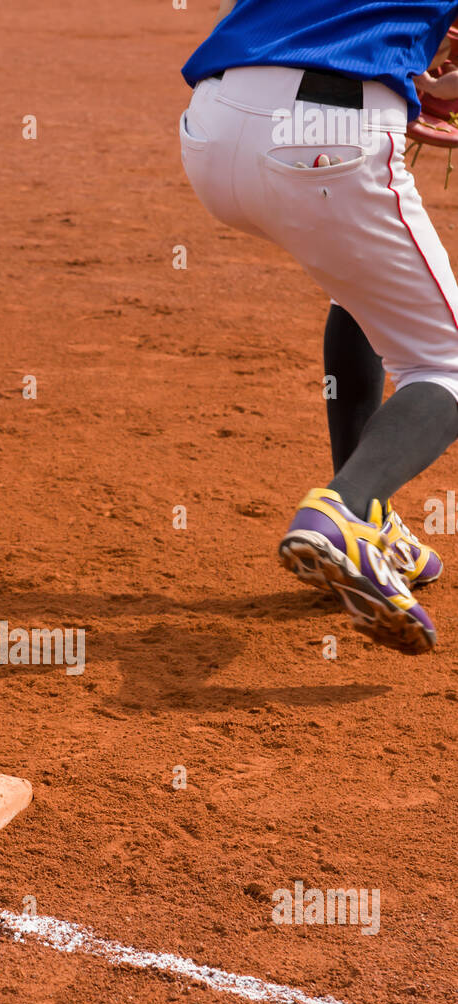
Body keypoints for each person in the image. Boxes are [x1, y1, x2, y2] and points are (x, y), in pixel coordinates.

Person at [180, 2, 458, 652]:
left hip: (211, 126)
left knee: (362, 282)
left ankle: (372, 519)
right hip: (325, 140)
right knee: (447, 364)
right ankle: (344, 511)